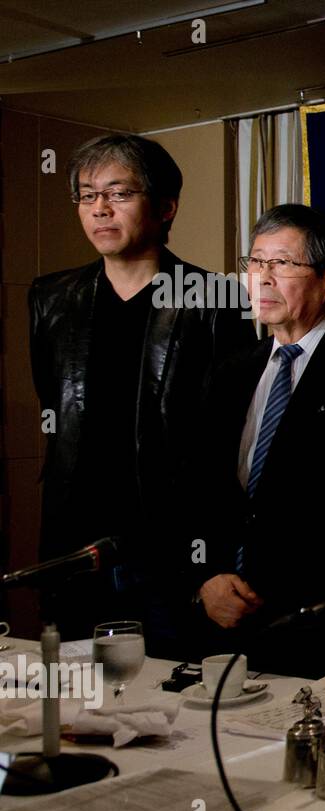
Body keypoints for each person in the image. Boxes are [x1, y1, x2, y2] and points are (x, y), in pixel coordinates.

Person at [27, 133, 254, 640]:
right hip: (76, 551)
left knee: (173, 707)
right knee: (78, 708)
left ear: (165, 207)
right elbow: (56, 415)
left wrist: (211, 562)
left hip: (173, 554)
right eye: (88, 196)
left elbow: (230, 441)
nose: (100, 210)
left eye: (119, 194)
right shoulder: (52, 298)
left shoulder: (216, 299)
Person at [186, 204, 325, 676]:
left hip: (312, 621)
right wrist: (208, 579)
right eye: (255, 263)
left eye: (281, 264)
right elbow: (198, 484)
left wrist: (261, 587)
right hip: (219, 616)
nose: (262, 279)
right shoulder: (230, 370)